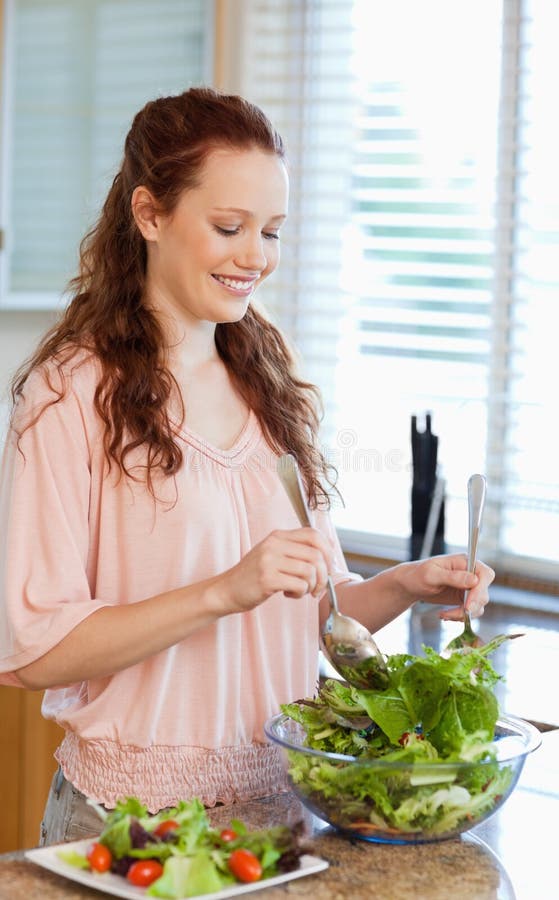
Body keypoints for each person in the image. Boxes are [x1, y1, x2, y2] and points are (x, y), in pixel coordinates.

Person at [0, 87, 494, 845]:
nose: (255, 257)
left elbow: (319, 618)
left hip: (283, 821)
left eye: (271, 231)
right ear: (149, 215)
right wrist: (223, 591)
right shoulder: (69, 393)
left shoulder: (268, 377)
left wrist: (408, 584)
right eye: (229, 227)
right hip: (129, 829)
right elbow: (37, 649)